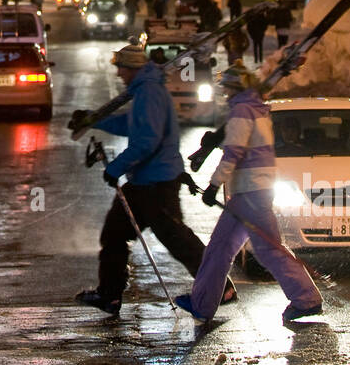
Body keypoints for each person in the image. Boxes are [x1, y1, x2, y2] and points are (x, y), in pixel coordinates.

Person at [70, 45, 233, 316]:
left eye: (121, 67)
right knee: (114, 235)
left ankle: (220, 288)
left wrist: (116, 168)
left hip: (157, 183)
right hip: (144, 182)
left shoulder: (149, 93)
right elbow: (130, 125)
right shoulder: (144, 90)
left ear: (132, 67)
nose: (119, 73)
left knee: (178, 240)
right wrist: (96, 121)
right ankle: (109, 295)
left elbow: (147, 140)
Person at [174, 64, 323, 323]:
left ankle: (306, 299)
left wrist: (213, 185)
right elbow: (247, 145)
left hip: (250, 192)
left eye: (228, 87)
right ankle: (202, 304)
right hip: (254, 190)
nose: (225, 92)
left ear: (235, 87)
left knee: (267, 249)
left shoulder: (242, 111)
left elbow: (236, 152)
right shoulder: (257, 109)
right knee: (220, 249)